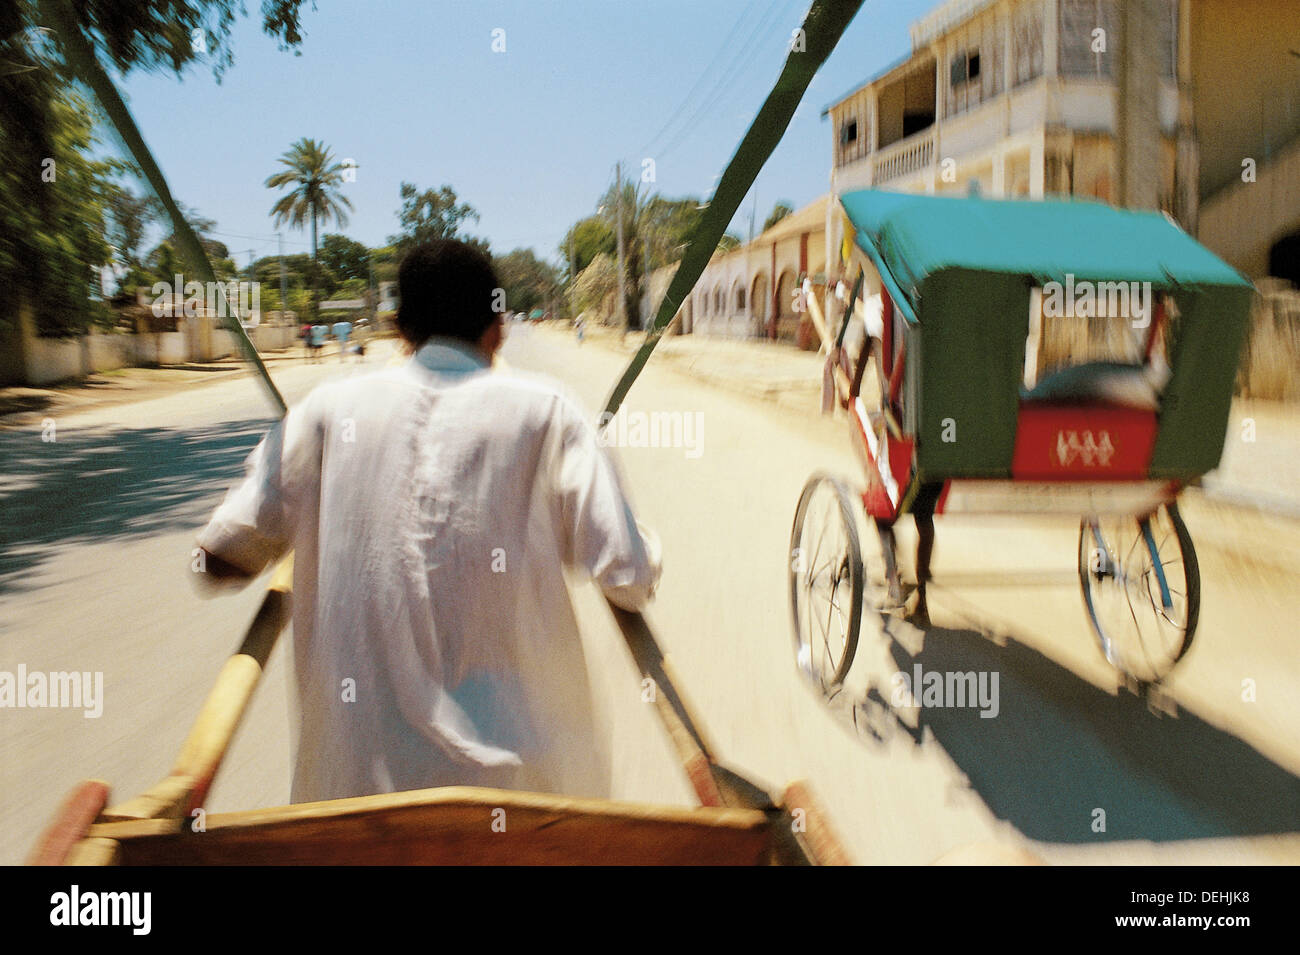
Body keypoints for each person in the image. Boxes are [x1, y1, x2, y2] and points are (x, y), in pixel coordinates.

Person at [192, 238, 662, 804]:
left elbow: (219, 559)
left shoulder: (323, 411)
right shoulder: (550, 411)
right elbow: (626, 576)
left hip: (352, 804)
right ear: (498, 328)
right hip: (526, 799)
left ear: (399, 330)